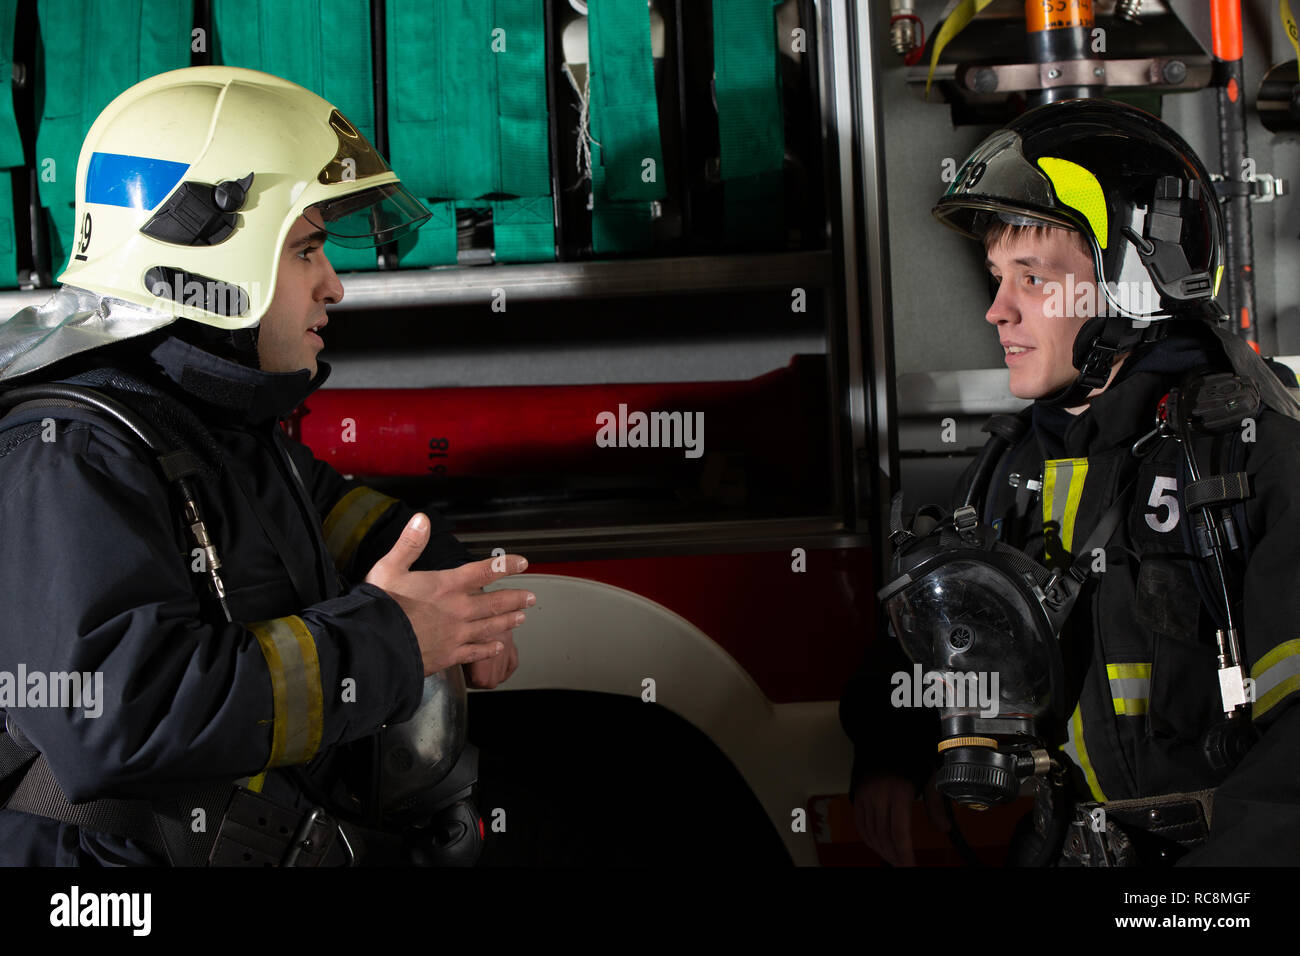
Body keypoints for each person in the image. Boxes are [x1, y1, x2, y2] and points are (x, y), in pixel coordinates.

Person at [0, 66, 532, 866]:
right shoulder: (74, 455)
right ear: (215, 261)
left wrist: (454, 596)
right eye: (308, 249)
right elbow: (116, 714)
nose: (335, 287)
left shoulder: (208, 423)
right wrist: (394, 643)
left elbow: (338, 518)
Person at [841, 98, 1300, 866]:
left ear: (1135, 279)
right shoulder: (1008, 472)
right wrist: (888, 753)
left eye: (1032, 277)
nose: (996, 310)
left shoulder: (1249, 463)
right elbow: (935, 640)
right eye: (997, 276)